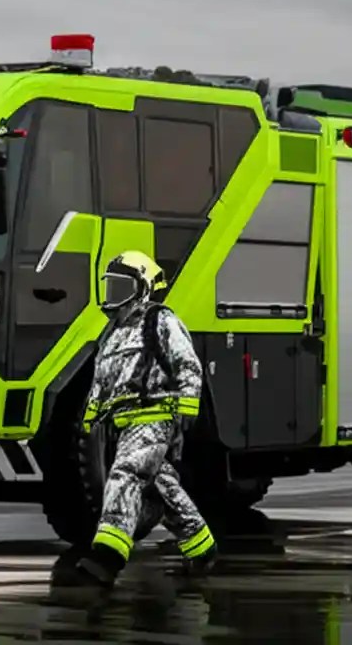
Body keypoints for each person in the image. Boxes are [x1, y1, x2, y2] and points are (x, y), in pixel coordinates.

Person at [75, 250, 217, 586]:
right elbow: (102, 379)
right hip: (124, 423)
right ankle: (202, 549)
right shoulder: (111, 332)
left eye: (122, 286)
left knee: (125, 474)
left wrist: (187, 407)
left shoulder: (161, 320)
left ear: (143, 287)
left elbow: (188, 364)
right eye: (110, 286)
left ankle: (107, 559)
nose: (113, 295)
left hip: (155, 415)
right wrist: (90, 418)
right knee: (161, 488)